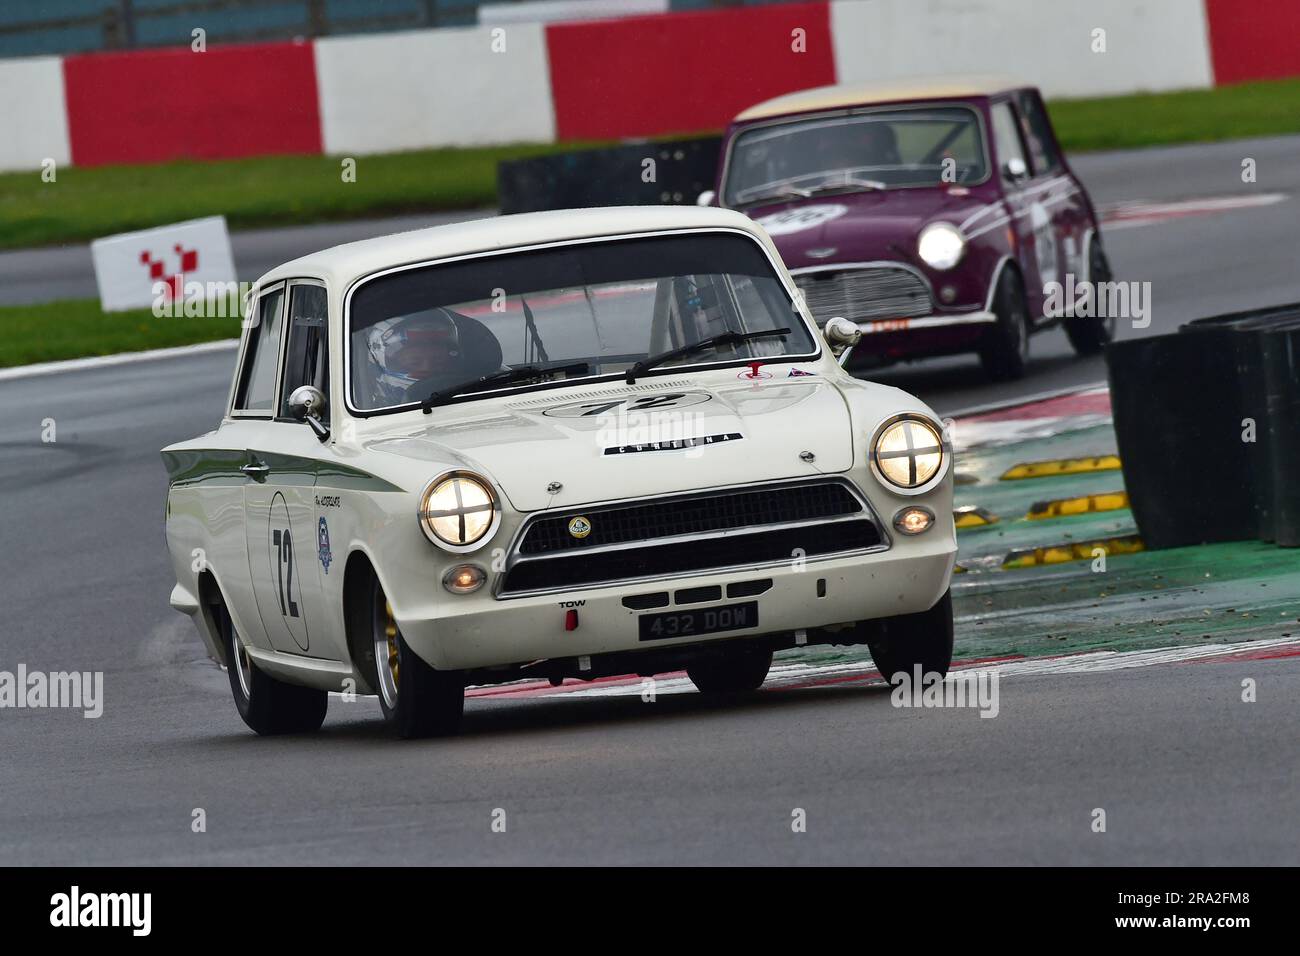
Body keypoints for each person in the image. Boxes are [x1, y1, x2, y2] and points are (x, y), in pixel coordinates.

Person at [367, 308, 469, 406]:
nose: (427, 368)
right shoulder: (360, 418)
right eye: (414, 363)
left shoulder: (469, 397)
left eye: (438, 362)